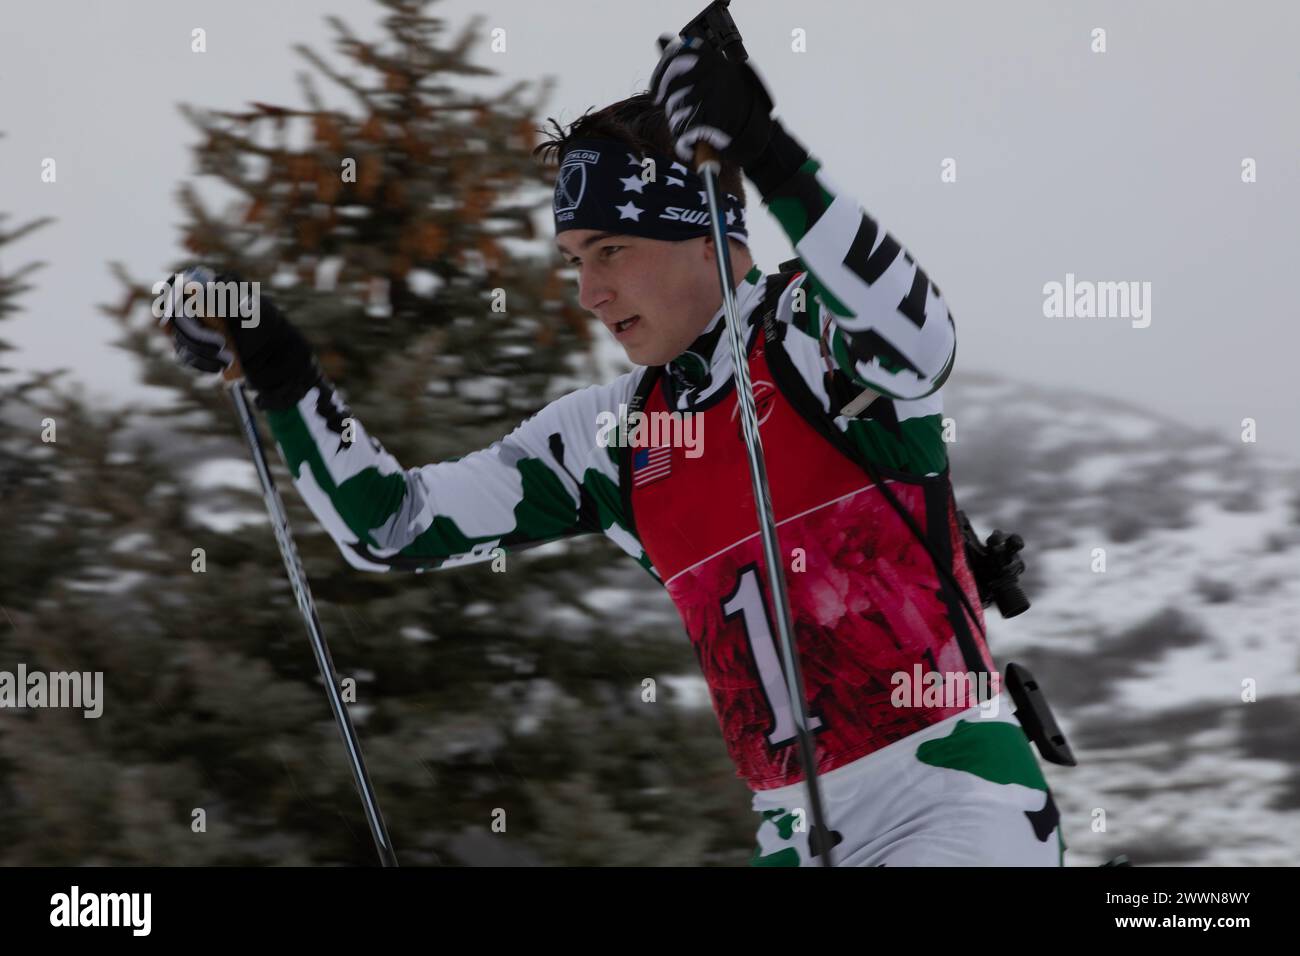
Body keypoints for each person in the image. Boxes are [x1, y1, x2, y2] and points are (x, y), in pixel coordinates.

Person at [163, 36, 1065, 866]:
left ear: (702, 233)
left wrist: (767, 151)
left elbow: (921, 340)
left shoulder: (810, 335)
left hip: (960, 797)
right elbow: (390, 526)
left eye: (610, 250)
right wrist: (281, 370)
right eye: (573, 262)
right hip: (797, 833)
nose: (589, 292)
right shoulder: (609, 439)